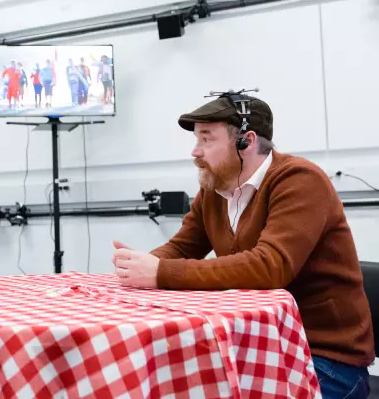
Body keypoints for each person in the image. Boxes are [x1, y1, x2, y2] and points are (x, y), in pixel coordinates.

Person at [111, 93, 374, 398]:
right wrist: (139, 266)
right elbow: (181, 248)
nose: (195, 151)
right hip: (256, 348)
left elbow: (269, 266)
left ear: (246, 142)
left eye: (207, 139)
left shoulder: (299, 180)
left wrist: (160, 271)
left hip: (324, 359)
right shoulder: (214, 189)